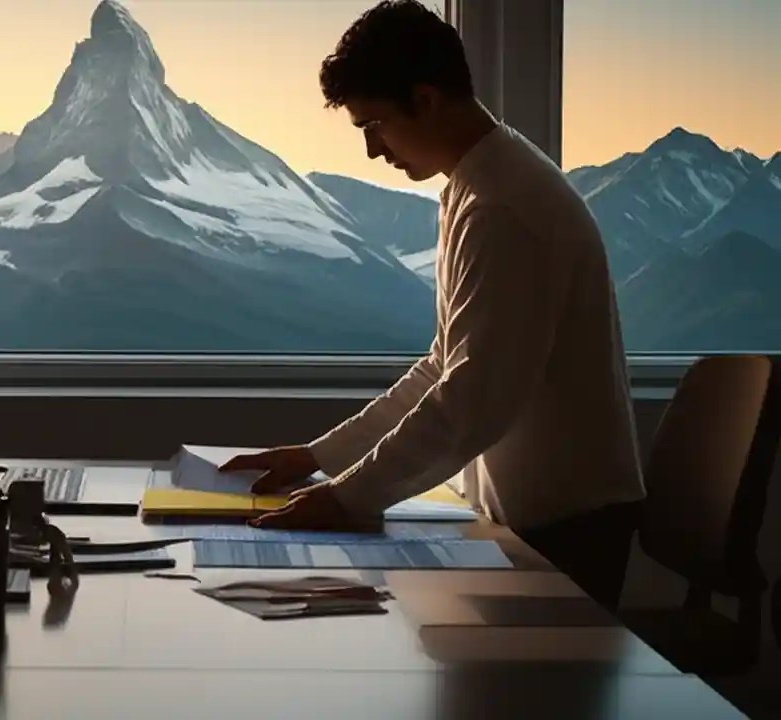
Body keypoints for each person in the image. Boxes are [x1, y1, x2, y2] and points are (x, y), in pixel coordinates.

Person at [218, 0, 646, 609]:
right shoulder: (479, 186)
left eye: (374, 126)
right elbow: (443, 366)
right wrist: (319, 459)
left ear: (424, 100)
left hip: (565, 525)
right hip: (538, 514)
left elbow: (470, 398)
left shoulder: (502, 208)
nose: (371, 151)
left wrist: (347, 496)